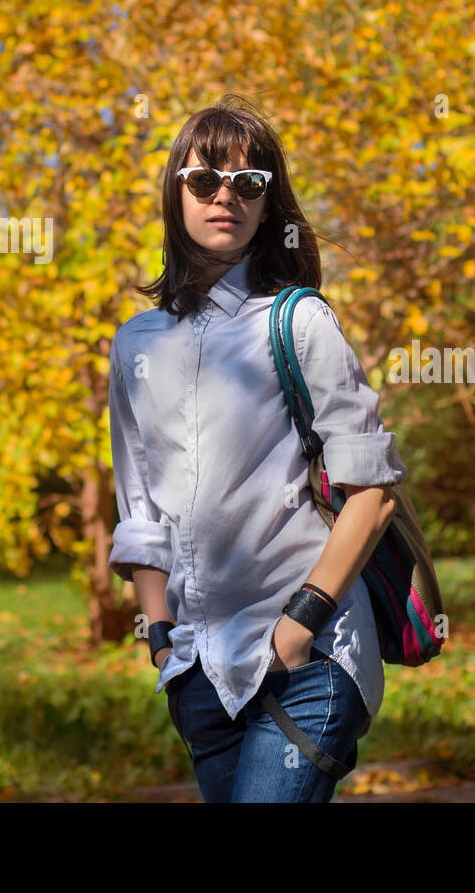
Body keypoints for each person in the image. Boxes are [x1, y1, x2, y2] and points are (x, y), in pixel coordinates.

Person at [107, 94, 406, 802]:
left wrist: (300, 624)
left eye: (249, 185)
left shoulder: (299, 322)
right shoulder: (135, 345)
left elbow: (374, 493)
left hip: (309, 663)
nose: (225, 197)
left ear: (268, 205)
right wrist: (160, 636)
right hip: (198, 673)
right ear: (175, 193)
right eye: (205, 180)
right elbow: (139, 509)